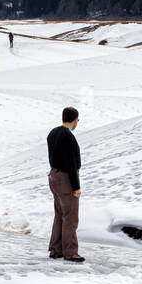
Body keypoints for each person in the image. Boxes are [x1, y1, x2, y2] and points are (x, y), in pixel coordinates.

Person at [46, 106, 83, 262]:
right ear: (75, 120)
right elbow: (71, 163)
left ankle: (55, 249)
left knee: (60, 214)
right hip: (65, 178)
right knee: (70, 216)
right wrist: (76, 187)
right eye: (77, 120)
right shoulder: (68, 136)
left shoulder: (52, 133)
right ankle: (70, 252)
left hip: (53, 175)